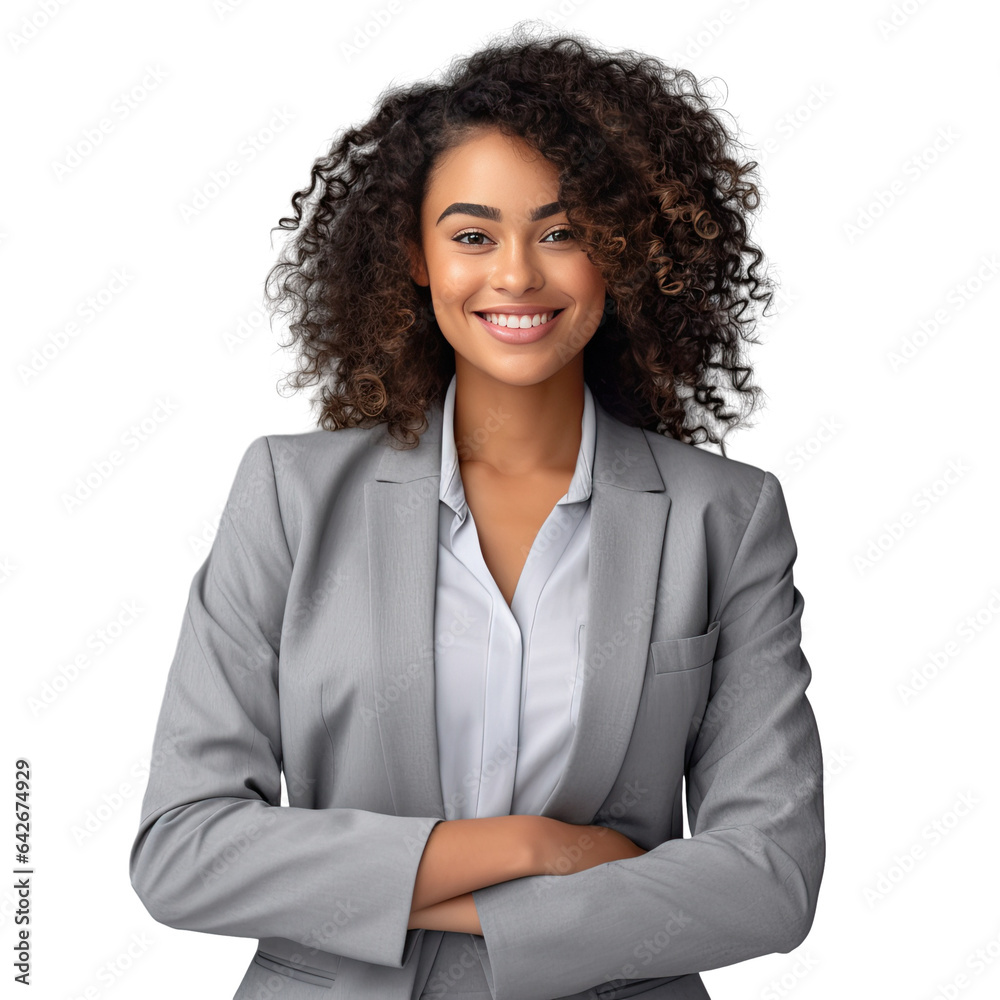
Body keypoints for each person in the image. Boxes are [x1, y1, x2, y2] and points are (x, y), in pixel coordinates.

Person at [129, 23, 825, 1000]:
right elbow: (184, 850)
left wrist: (391, 886)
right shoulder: (288, 498)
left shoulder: (727, 518)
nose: (515, 275)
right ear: (414, 256)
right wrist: (533, 848)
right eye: (471, 234)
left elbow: (770, 877)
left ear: (619, 252)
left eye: (562, 231)